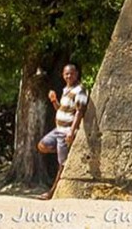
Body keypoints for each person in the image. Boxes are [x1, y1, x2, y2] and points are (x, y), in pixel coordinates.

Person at [36, 63, 88, 200]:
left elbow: (79, 111)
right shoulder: (66, 89)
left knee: (62, 164)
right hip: (58, 130)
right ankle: (67, 152)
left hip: (66, 131)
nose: (69, 76)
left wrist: (72, 131)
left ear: (76, 74)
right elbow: (61, 109)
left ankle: (51, 192)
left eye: (71, 73)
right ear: (63, 75)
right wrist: (54, 101)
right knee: (42, 145)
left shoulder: (80, 90)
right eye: (66, 74)